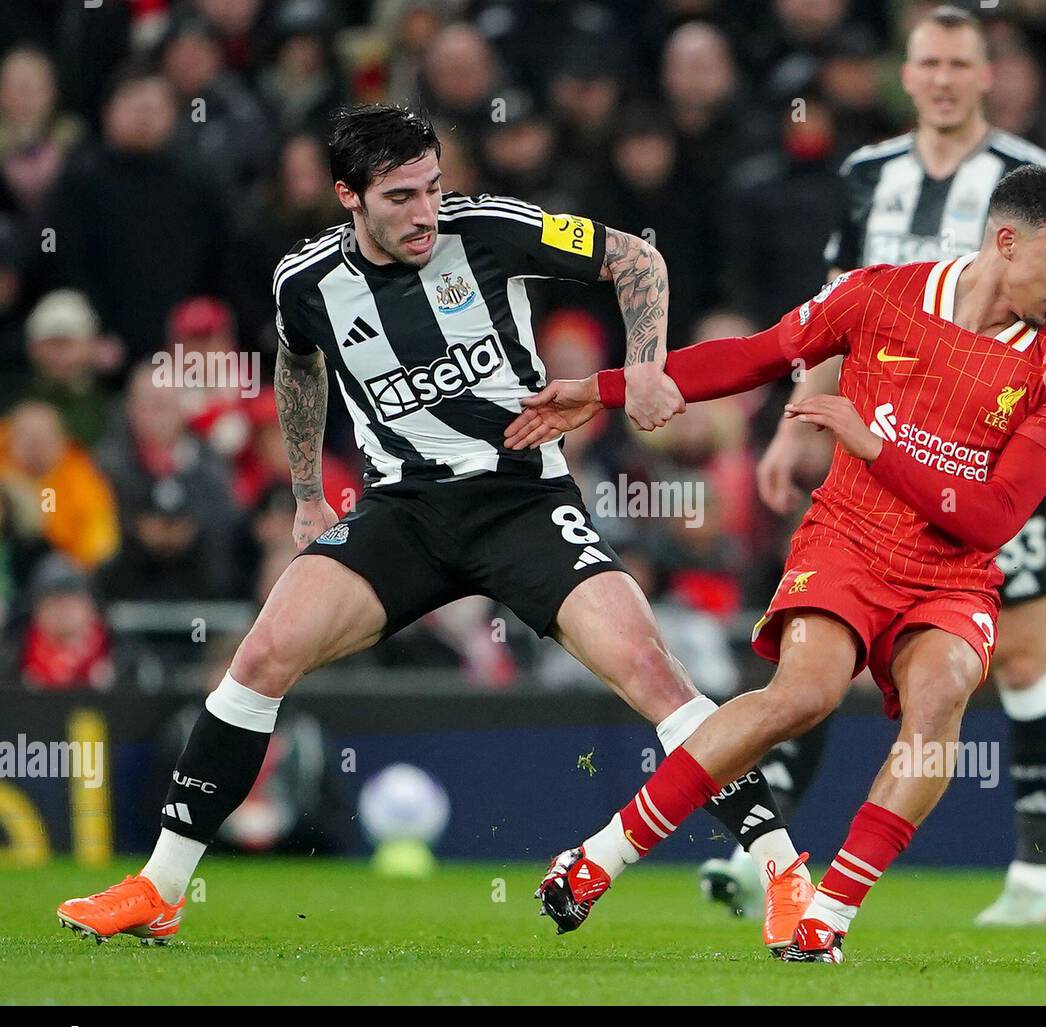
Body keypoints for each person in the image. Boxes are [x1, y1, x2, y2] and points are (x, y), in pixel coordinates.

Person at [56, 104, 811, 952]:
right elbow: (298, 365)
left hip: (522, 499)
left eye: (433, 189)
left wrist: (641, 368)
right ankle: (160, 887)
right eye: (402, 197)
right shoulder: (304, 282)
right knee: (262, 657)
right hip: (404, 511)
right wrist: (307, 491)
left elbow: (637, 258)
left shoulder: (489, 228)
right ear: (349, 196)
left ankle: (786, 876)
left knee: (650, 671)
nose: (426, 214)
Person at [512, 165, 1046, 962]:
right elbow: (757, 356)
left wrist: (874, 446)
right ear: (1006, 240)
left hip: (953, 570)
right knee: (800, 697)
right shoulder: (878, 294)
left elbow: (995, 515)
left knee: (942, 698)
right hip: (850, 539)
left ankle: (829, 915)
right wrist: (611, 388)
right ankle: (598, 859)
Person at [719, 5, 1046, 926]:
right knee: (823, 642)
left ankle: (1034, 870)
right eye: (931, 62)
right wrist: (794, 428)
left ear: (985, 74)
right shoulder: (864, 173)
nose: (947, 78)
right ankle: (780, 858)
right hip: (874, 445)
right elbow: (836, 311)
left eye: (963, 61)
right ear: (907, 75)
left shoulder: (1029, 179)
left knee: (1019, 655)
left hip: (982, 449)